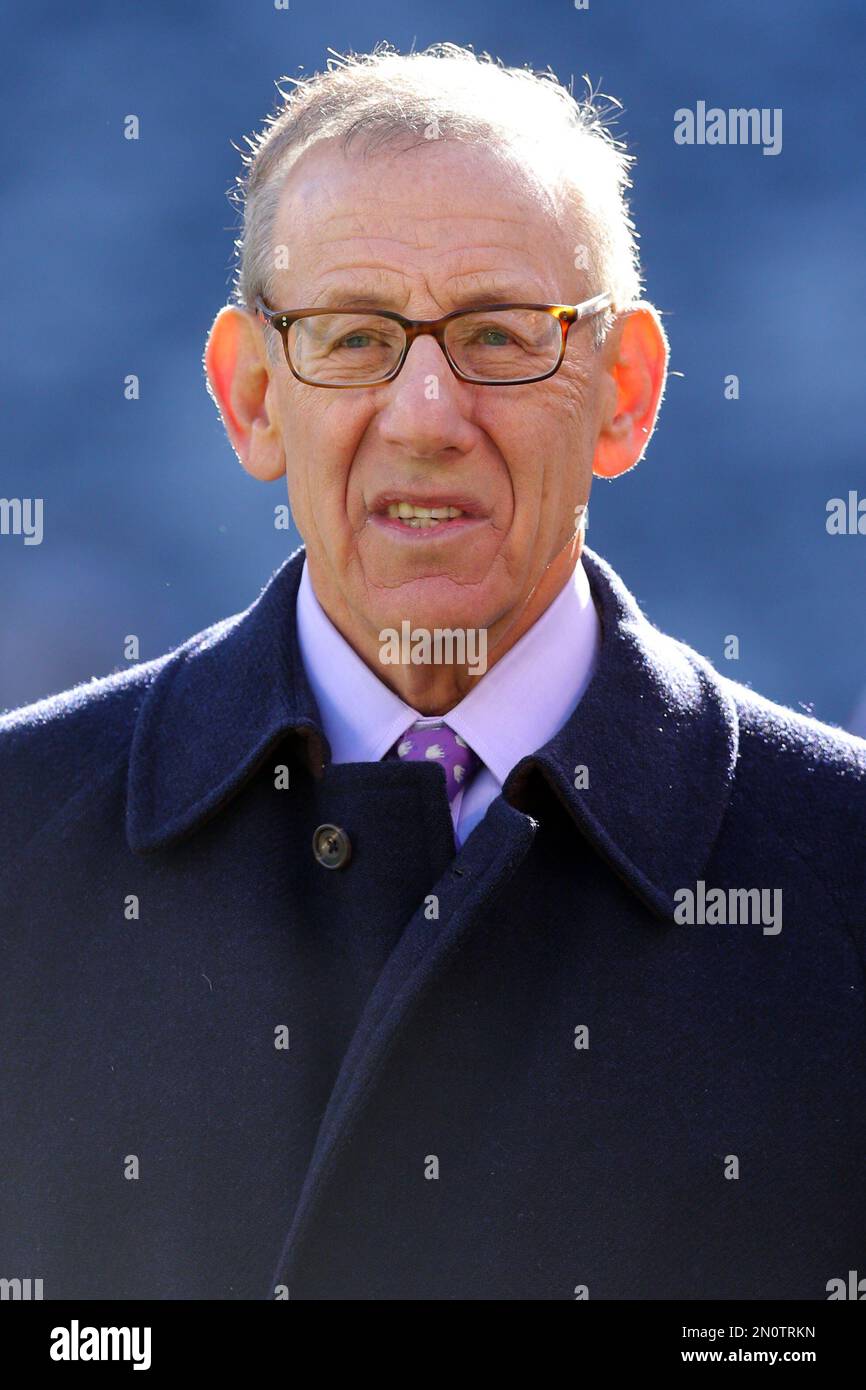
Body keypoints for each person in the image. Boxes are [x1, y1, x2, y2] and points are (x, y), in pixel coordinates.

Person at [2, 42, 864, 1302]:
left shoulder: (839, 872)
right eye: (352, 338)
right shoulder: (20, 846)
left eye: (499, 337)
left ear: (623, 394)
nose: (422, 414)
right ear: (249, 398)